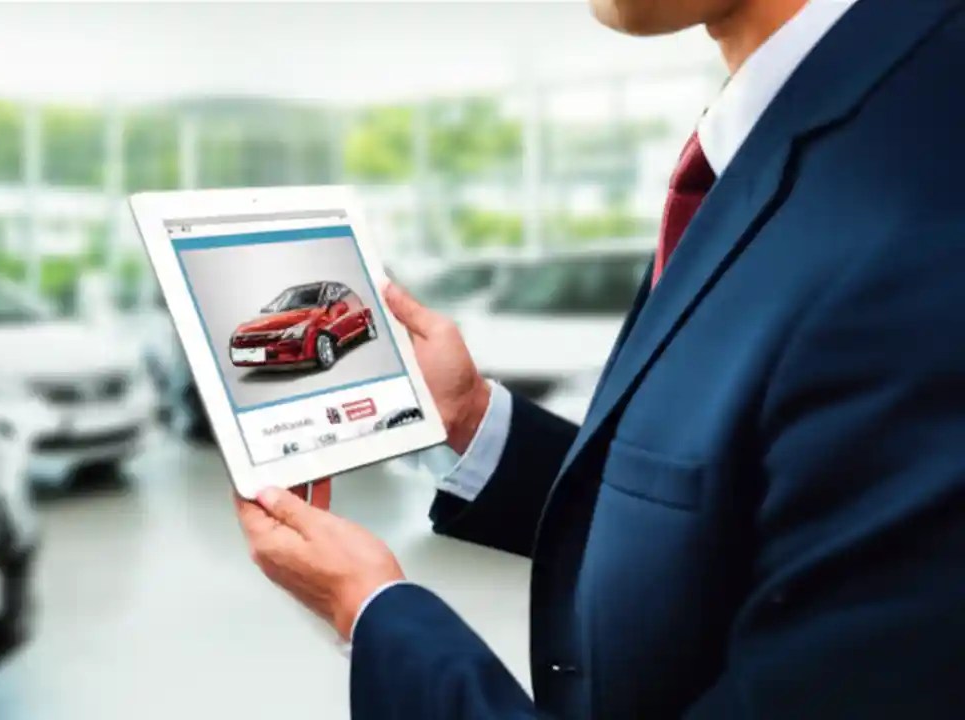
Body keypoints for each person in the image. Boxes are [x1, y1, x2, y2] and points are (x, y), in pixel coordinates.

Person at [234, 0, 965, 716]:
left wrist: (374, 613)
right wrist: (470, 422)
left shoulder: (921, 197)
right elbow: (739, 513)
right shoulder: (819, 116)